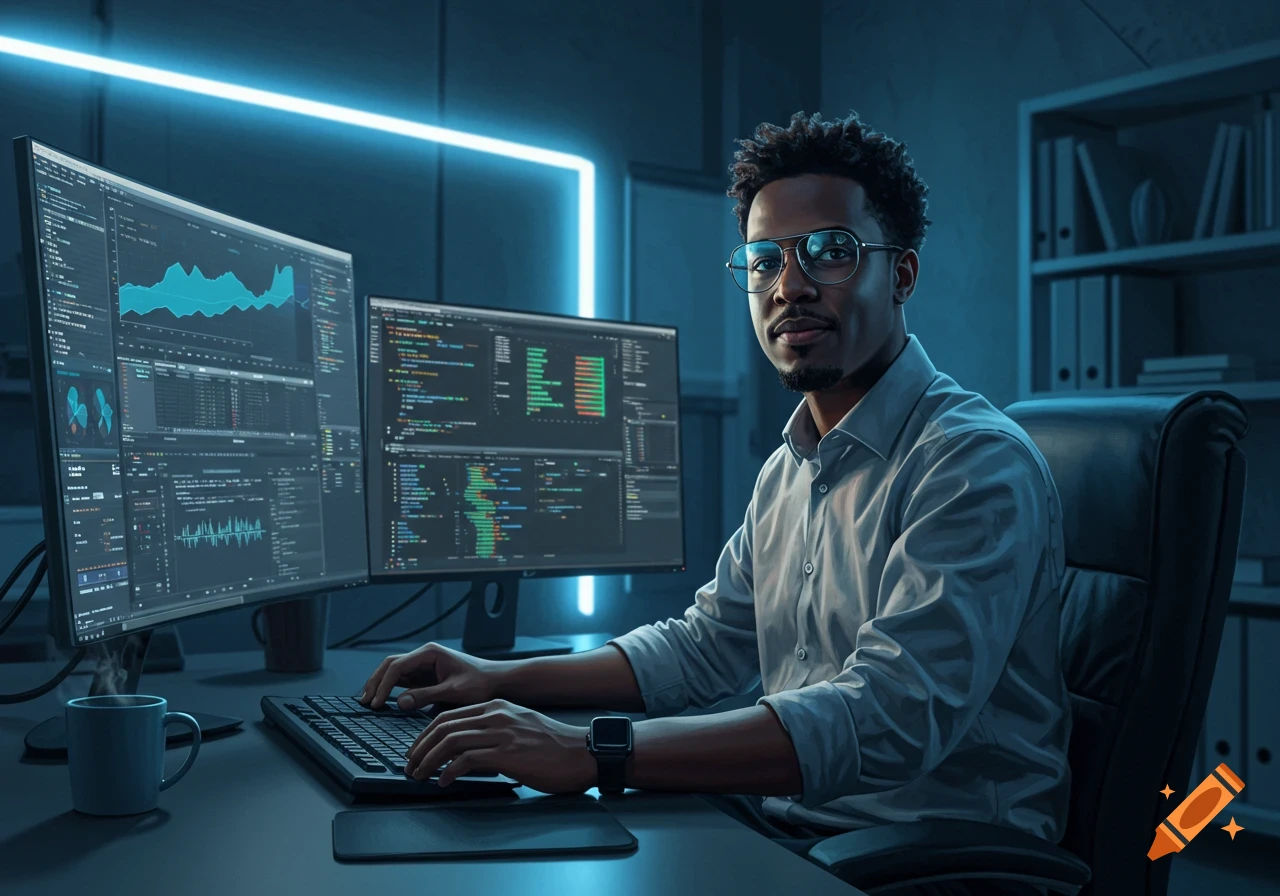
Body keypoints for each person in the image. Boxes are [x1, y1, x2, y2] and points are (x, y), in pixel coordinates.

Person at [360, 111, 1071, 896]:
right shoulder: (791, 467)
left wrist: (593, 752)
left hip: (927, 865)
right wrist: (498, 679)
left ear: (901, 274)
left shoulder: (971, 462)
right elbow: (703, 649)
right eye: (765, 261)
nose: (790, 286)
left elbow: (889, 718)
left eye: (829, 253)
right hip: (791, 826)